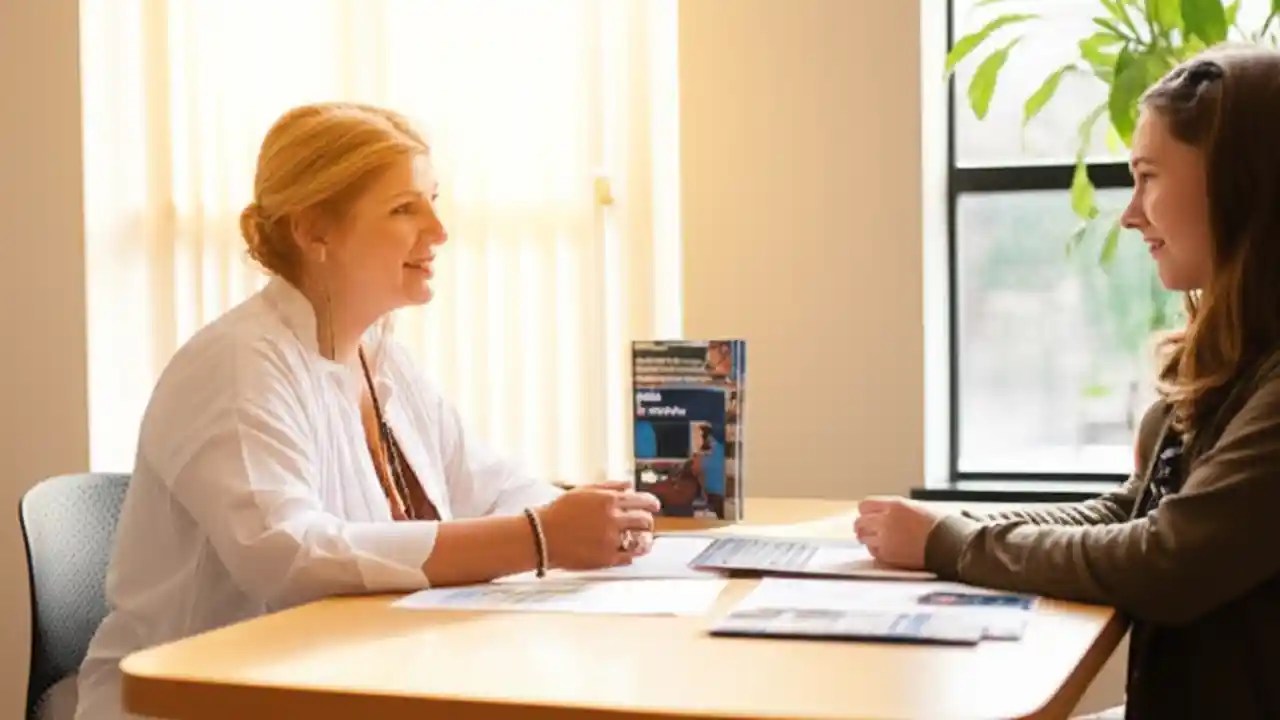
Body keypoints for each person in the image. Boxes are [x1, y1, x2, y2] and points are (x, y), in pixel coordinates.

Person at [74, 102, 660, 720]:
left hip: (348, 682)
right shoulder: (236, 365)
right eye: (404, 208)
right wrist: (538, 537)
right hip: (206, 703)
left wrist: (596, 521)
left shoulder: (381, 356)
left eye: (433, 200)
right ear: (314, 231)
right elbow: (290, 556)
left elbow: (491, 486)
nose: (439, 230)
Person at [856, 47, 1280, 719]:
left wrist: (949, 543)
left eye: (1148, 177)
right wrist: (951, 528)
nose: (1130, 213)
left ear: (1236, 184)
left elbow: (1164, 560)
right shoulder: (1241, 358)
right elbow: (1134, 512)